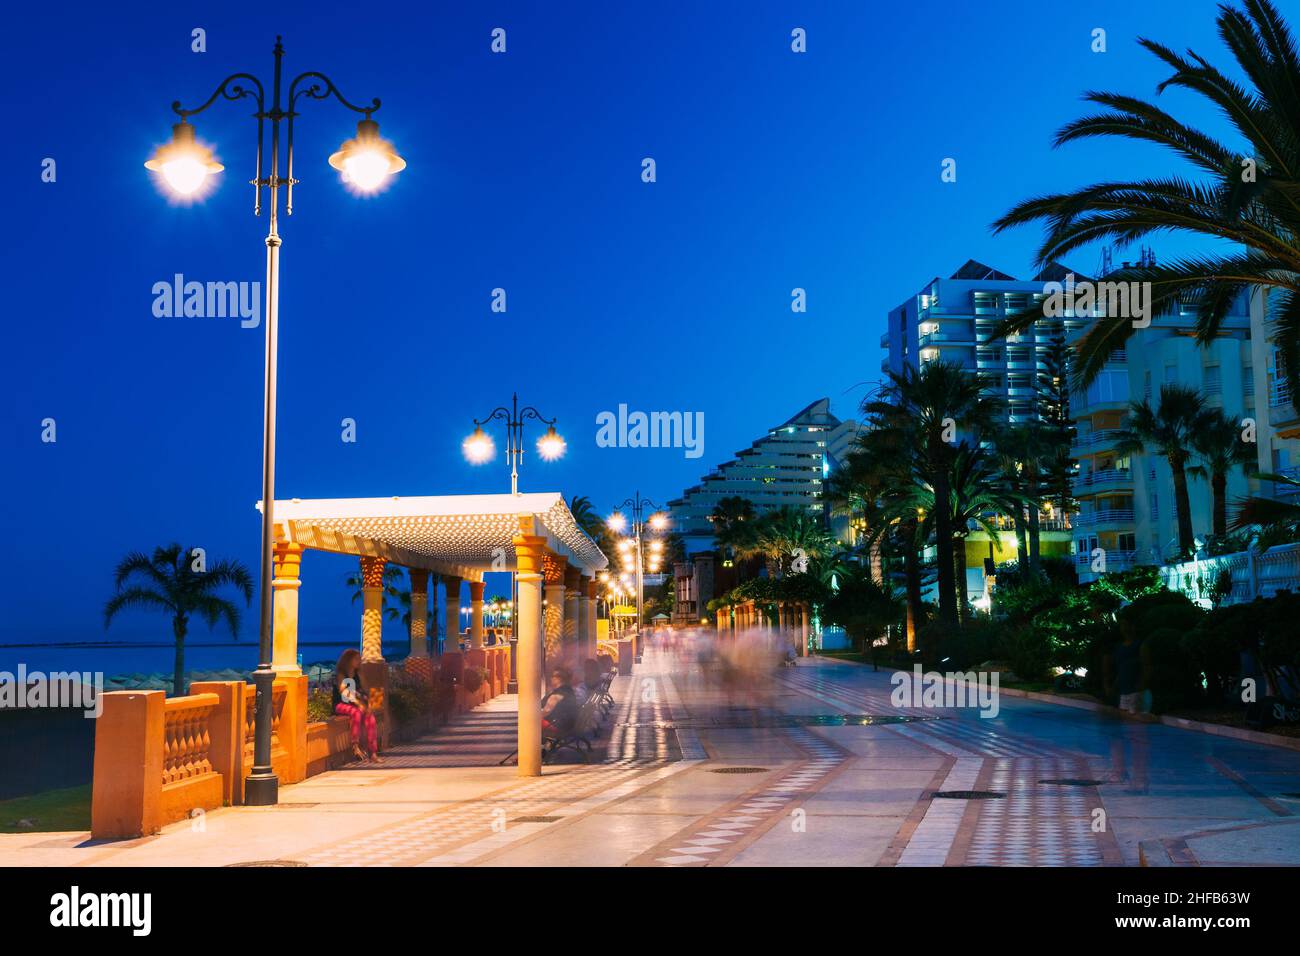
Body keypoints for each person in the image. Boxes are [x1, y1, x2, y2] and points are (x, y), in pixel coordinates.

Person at [334, 649, 382, 763]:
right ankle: (355, 745)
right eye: (356, 659)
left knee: (370, 718)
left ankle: (373, 752)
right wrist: (358, 703)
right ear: (348, 660)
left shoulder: (358, 675)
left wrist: (368, 705)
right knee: (356, 713)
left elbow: (364, 691)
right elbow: (344, 692)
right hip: (341, 704)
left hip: (356, 704)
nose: (359, 661)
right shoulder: (341, 674)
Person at [540, 666, 579, 739]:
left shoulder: (557, 695)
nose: (551, 678)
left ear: (559, 678)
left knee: (531, 722)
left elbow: (546, 711)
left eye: (552, 676)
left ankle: (529, 748)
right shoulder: (568, 690)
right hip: (568, 725)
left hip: (559, 727)